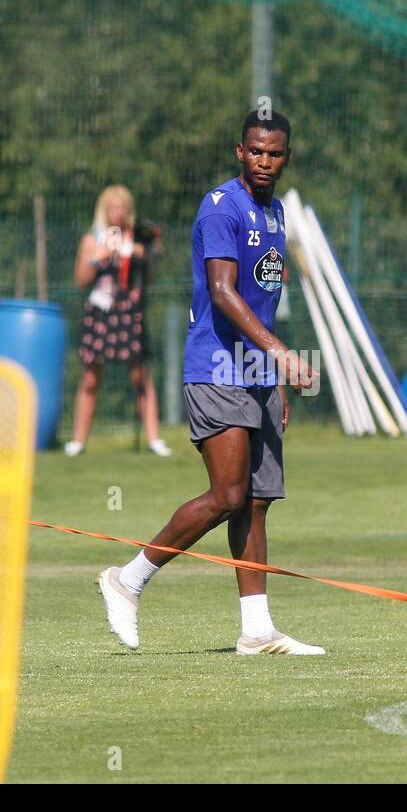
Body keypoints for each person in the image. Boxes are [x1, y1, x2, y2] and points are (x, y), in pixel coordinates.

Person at [97, 110, 325, 656]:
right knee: (228, 493)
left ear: (285, 158)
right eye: (256, 151)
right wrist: (282, 354)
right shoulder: (221, 207)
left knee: (256, 501)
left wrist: (276, 377)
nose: (265, 161)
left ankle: (257, 630)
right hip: (218, 368)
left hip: (258, 373)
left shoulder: (274, 215)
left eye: (275, 153)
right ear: (239, 152)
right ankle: (127, 581)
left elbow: (264, 303)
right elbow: (224, 292)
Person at [65, 184, 171, 457]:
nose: (118, 212)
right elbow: (80, 281)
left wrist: (146, 256)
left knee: (141, 377)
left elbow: (148, 279)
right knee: (91, 377)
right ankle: (78, 441)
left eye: (123, 207)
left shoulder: (136, 241)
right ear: (104, 210)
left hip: (129, 313)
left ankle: (153, 439)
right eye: (113, 207)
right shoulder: (92, 240)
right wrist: (97, 258)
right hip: (100, 313)